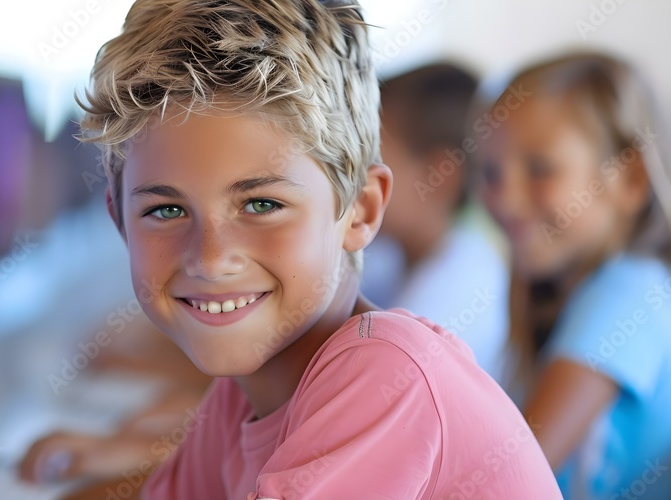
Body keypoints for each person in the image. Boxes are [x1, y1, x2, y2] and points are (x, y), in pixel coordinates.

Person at [59, 0, 563, 498]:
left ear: (360, 210)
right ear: (120, 222)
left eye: (261, 204)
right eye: (167, 211)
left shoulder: (388, 372)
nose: (211, 260)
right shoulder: (239, 397)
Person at [476, 52, 671, 499]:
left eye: (540, 170)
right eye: (491, 173)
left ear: (631, 180)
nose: (506, 200)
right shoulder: (590, 293)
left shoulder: (626, 293)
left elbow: (505, 481)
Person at [361, 63, 510, 381]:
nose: (352, 174)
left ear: (438, 176)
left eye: (371, 157)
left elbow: (380, 377)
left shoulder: (464, 279)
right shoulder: (387, 258)